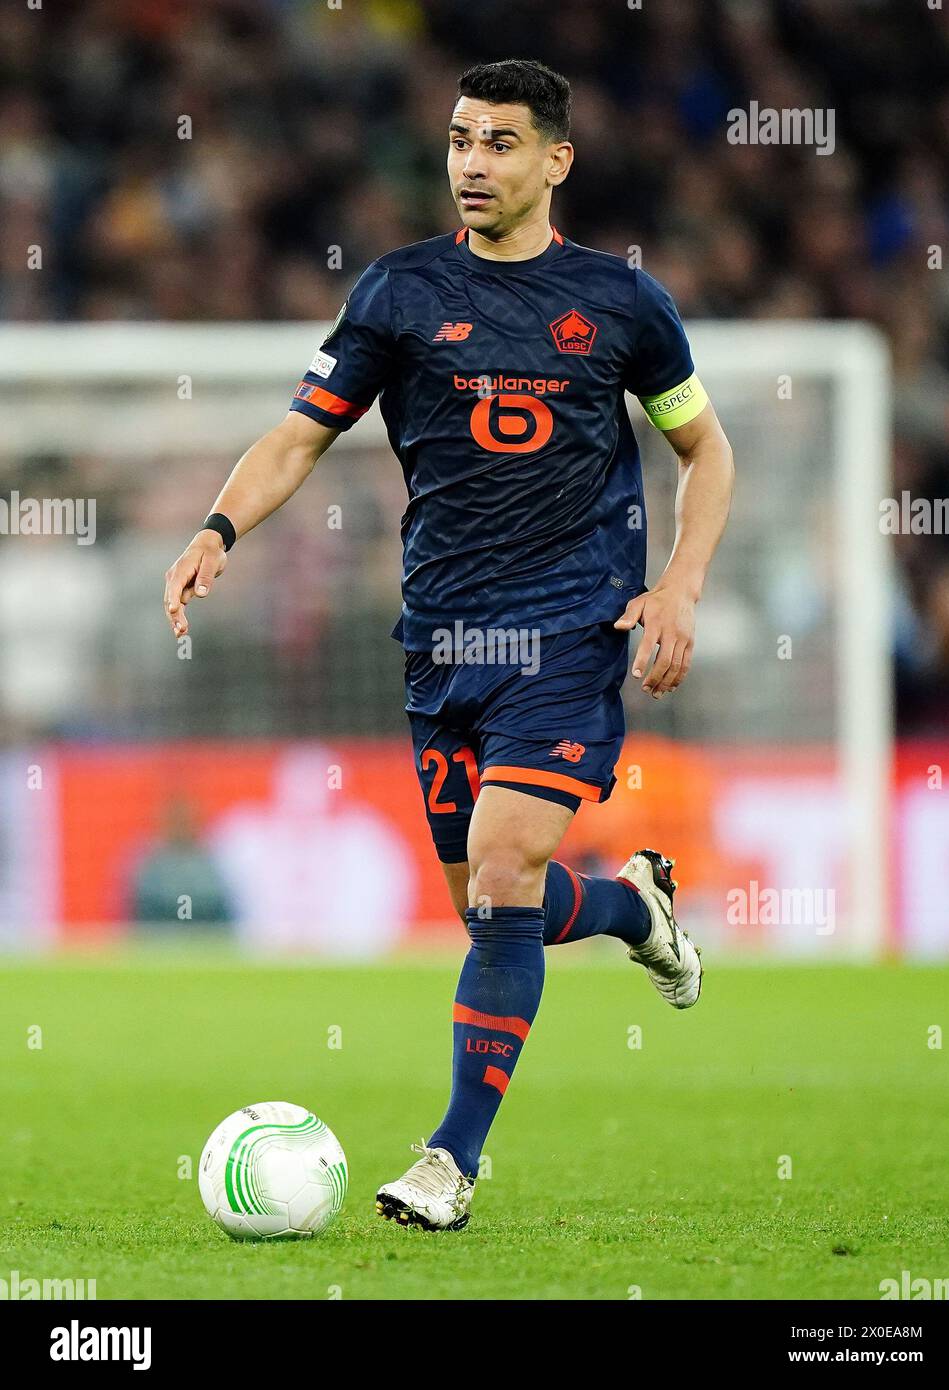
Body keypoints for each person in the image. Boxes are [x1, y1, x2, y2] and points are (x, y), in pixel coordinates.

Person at [163, 59, 734, 1232]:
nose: (473, 164)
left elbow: (706, 453)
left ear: (554, 161)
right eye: (461, 142)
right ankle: (634, 910)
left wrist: (678, 585)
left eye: (501, 144)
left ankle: (449, 1161)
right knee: (491, 903)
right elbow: (298, 436)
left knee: (510, 866)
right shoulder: (398, 292)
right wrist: (219, 526)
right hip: (438, 640)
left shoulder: (621, 306)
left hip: (572, 631)